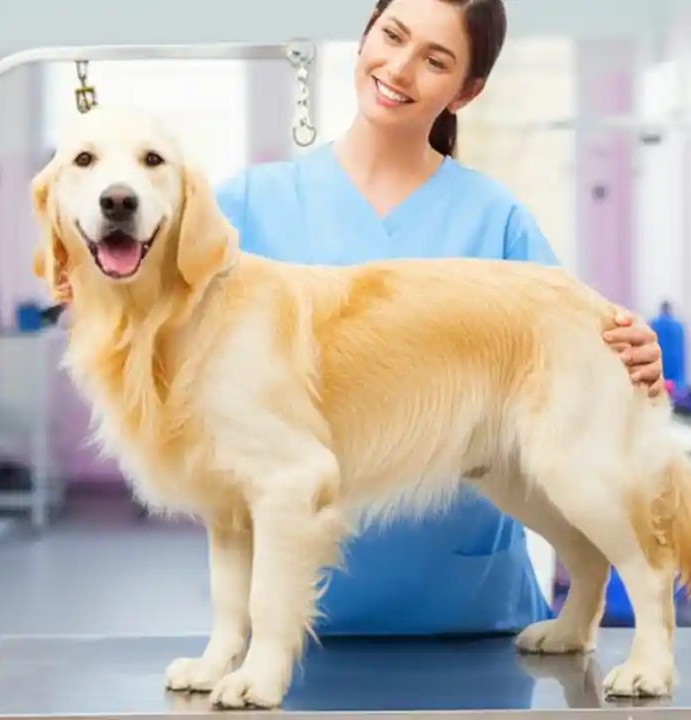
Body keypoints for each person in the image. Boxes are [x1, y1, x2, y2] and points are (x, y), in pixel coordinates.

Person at [207, 0, 664, 638]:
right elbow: (154, 303)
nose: (399, 68)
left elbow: (574, 343)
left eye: (435, 60)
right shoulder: (246, 204)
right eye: (391, 36)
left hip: (476, 623)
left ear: (466, 91)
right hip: (299, 632)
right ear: (365, 36)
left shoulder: (494, 217)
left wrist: (633, 349)